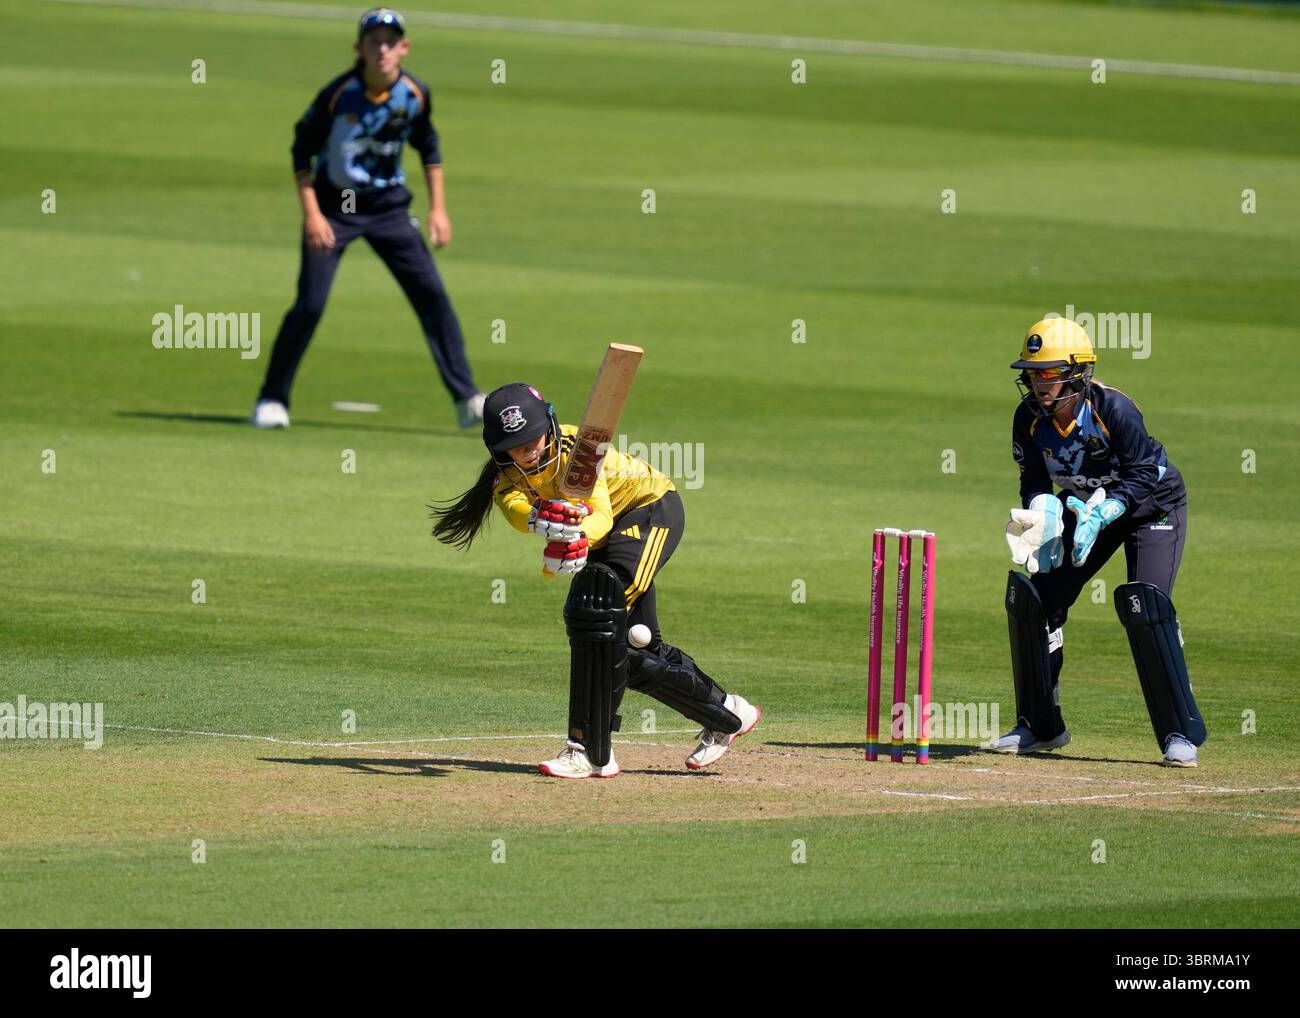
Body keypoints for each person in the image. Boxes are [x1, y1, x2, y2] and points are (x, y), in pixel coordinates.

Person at [431, 383, 761, 778]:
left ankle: (588, 749)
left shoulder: (582, 450)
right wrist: (544, 519)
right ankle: (727, 713)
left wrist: (575, 532)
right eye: (517, 448)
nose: (530, 452)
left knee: (596, 618)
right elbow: (518, 511)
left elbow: (601, 515)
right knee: (635, 651)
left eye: (534, 439)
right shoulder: (506, 479)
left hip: (647, 510)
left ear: (550, 426)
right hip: (603, 536)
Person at [252, 7, 484, 431]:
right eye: (374, 41)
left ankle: (467, 399)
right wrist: (312, 215)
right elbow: (301, 151)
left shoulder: (414, 94)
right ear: (359, 48)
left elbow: (429, 147)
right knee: (310, 304)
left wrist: (438, 209)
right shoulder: (338, 94)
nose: (382, 49)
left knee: (432, 297)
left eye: (390, 42)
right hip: (334, 210)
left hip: (389, 209)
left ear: (404, 48)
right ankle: (271, 399)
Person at [994, 318, 1206, 767]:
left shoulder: (1114, 410)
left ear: (1079, 372)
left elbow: (1145, 473)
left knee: (1145, 605)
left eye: (1049, 373)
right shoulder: (1027, 419)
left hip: (1153, 507)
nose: (1039, 383)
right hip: (1084, 510)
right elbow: (1034, 479)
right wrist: (1044, 513)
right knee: (1038, 597)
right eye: (1033, 373)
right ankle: (1039, 725)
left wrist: (1108, 509)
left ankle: (1179, 733)